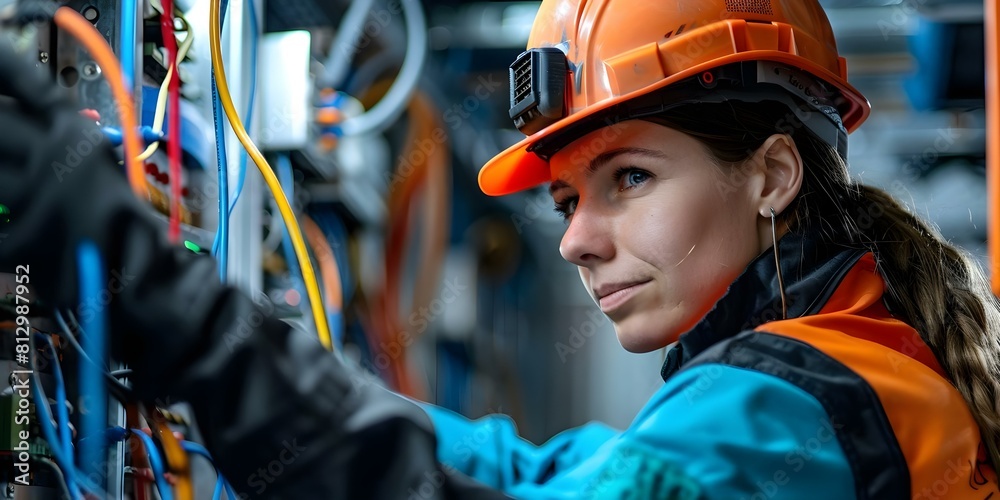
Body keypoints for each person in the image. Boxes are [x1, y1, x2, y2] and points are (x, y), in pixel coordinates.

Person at [1, 0, 999, 498]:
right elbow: (522, 467)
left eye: (629, 178)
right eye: (568, 197)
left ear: (772, 175)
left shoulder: (789, 415)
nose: (574, 239)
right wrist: (257, 345)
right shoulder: (840, 362)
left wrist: (189, 326)